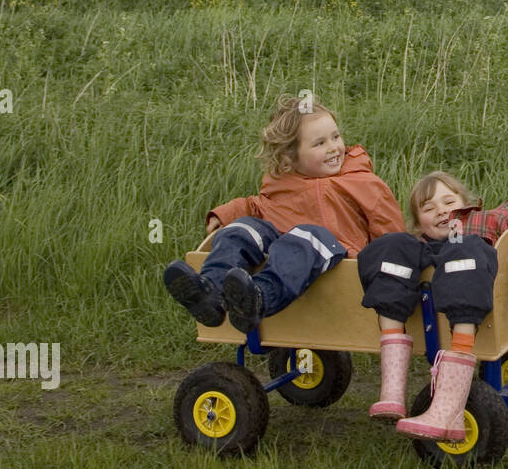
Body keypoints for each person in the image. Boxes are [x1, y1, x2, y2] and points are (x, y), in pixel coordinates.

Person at [163, 94, 406, 333]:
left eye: (335, 137)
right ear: (291, 157)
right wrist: (224, 215)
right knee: (241, 229)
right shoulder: (282, 182)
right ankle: (211, 293)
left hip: (334, 256)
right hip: (282, 252)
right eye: (320, 143)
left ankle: (259, 297)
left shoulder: (362, 182)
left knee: (309, 235)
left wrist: (395, 267)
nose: (334, 147)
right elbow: (256, 206)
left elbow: (388, 229)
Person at [356, 170, 508, 439]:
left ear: (467, 204)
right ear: (418, 224)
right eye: (428, 208)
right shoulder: (414, 245)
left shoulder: (477, 231)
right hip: (420, 274)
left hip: (469, 286)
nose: (441, 211)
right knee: (390, 245)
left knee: (465, 251)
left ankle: (448, 410)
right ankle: (392, 393)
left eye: (449, 203)